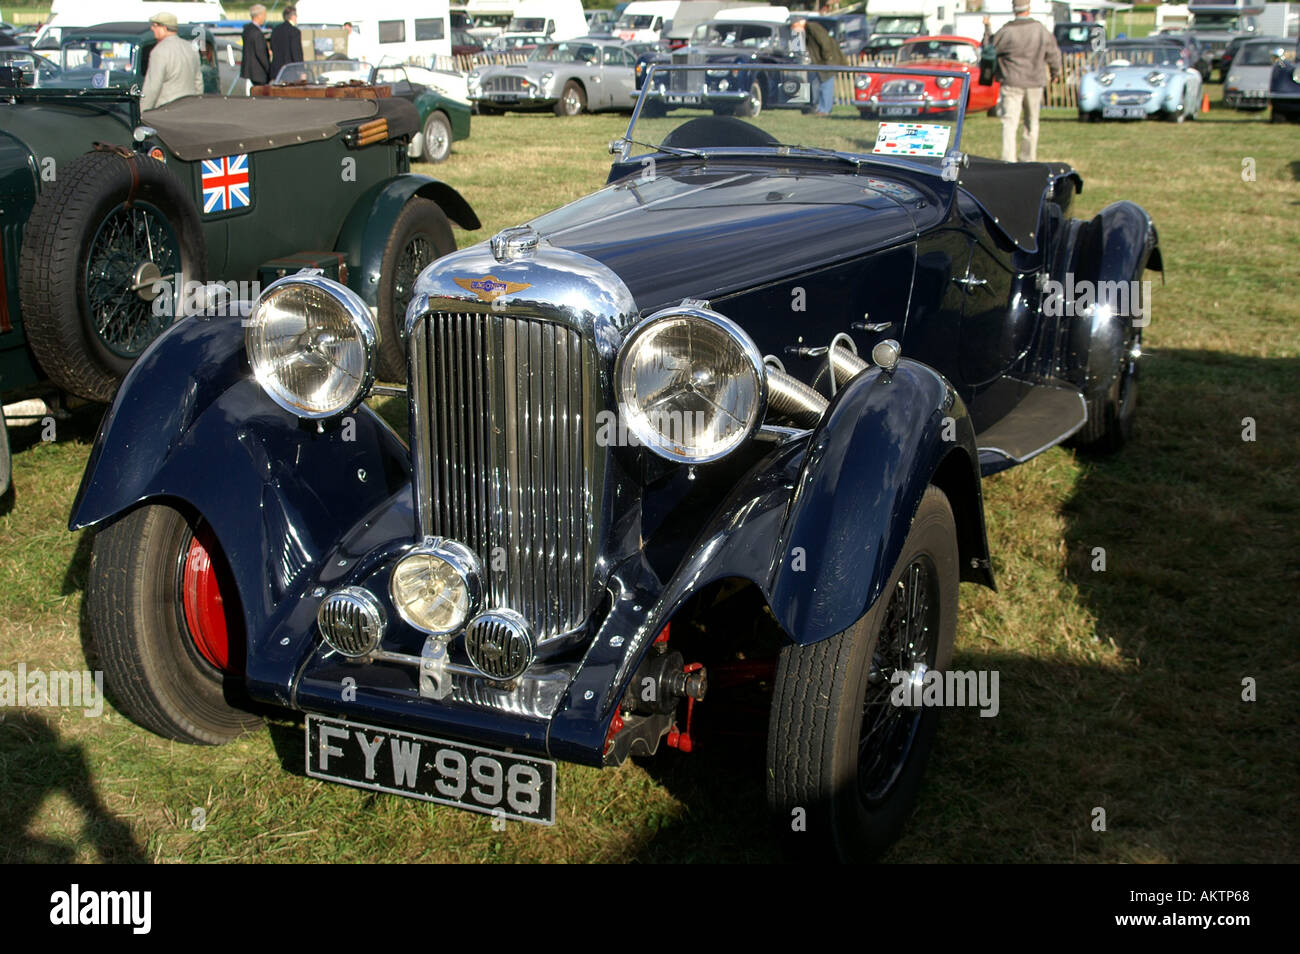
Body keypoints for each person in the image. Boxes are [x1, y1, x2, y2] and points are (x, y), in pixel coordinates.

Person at [983, 1, 1062, 163]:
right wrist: (1056, 72)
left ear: (1014, 9)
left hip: (1011, 81)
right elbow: (1053, 53)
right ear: (1029, 8)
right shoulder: (1040, 30)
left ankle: (1008, 160)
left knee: (1009, 123)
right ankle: (1028, 159)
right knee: (1032, 123)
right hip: (1034, 82)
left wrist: (987, 28)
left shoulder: (1007, 31)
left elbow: (989, 48)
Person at [140, 12, 202, 111]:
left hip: (166, 109)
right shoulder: (190, 48)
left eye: (155, 26)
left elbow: (152, 87)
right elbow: (198, 82)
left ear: (163, 28)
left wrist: (142, 111)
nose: (152, 29)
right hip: (189, 108)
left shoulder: (159, 51)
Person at [791, 16, 847, 116]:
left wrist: (827, 58)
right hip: (822, 61)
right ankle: (821, 108)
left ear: (799, 23)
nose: (793, 28)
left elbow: (824, 42)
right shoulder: (807, 30)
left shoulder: (813, 27)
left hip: (827, 61)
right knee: (822, 84)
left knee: (826, 85)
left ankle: (825, 110)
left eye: (794, 26)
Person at [241, 4, 271, 88]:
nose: (265, 18)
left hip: (249, 71)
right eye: (264, 15)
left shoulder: (247, 30)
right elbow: (260, 53)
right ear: (259, 15)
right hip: (258, 72)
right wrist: (268, 68)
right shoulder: (257, 32)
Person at [271, 5, 304, 71]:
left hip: (277, 69)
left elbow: (272, 47)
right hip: (290, 70)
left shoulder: (275, 30)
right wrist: (301, 70)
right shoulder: (294, 31)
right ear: (293, 16)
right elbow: (296, 53)